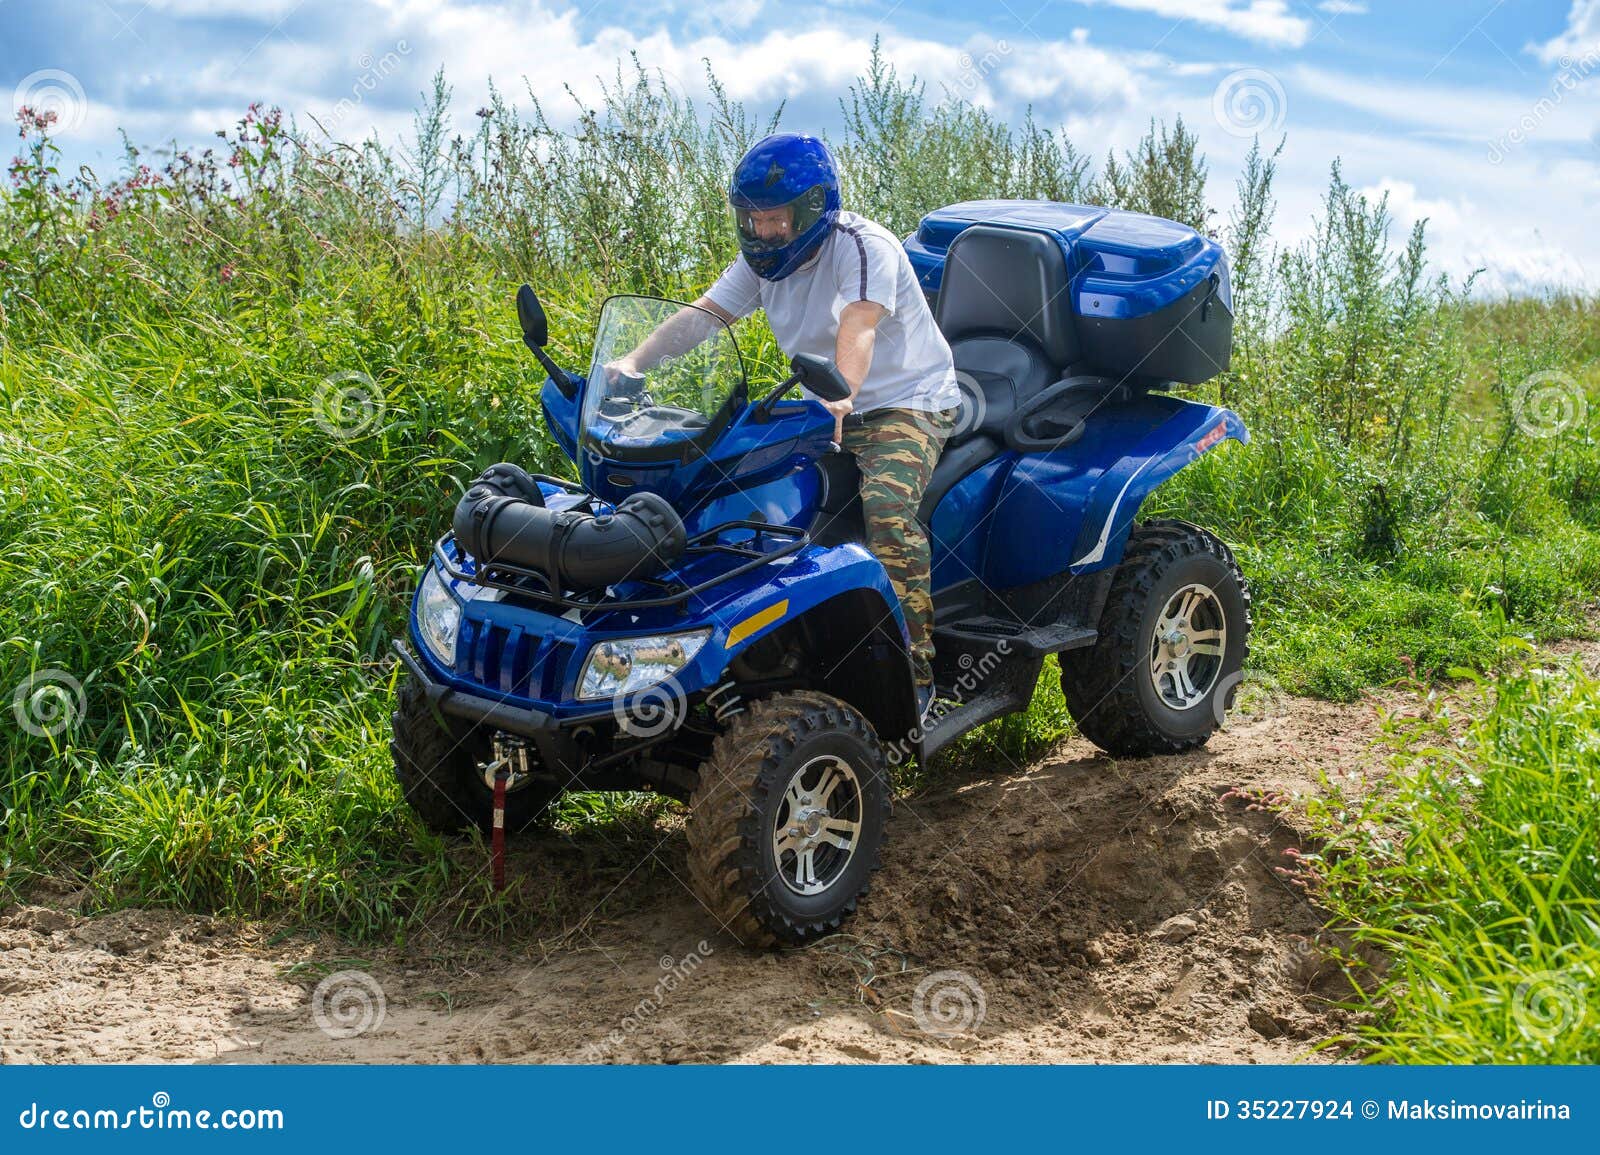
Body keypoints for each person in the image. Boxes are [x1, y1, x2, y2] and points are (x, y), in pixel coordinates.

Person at [606, 132, 960, 719]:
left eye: (777, 219)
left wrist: (841, 397)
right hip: (822, 402)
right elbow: (704, 317)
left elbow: (861, 325)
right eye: (753, 219)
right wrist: (633, 362)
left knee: (888, 514)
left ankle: (916, 674)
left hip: (905, 400)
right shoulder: (759, 263)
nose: (764, 232)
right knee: (744, 498)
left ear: (814, 208)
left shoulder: (863, 246)